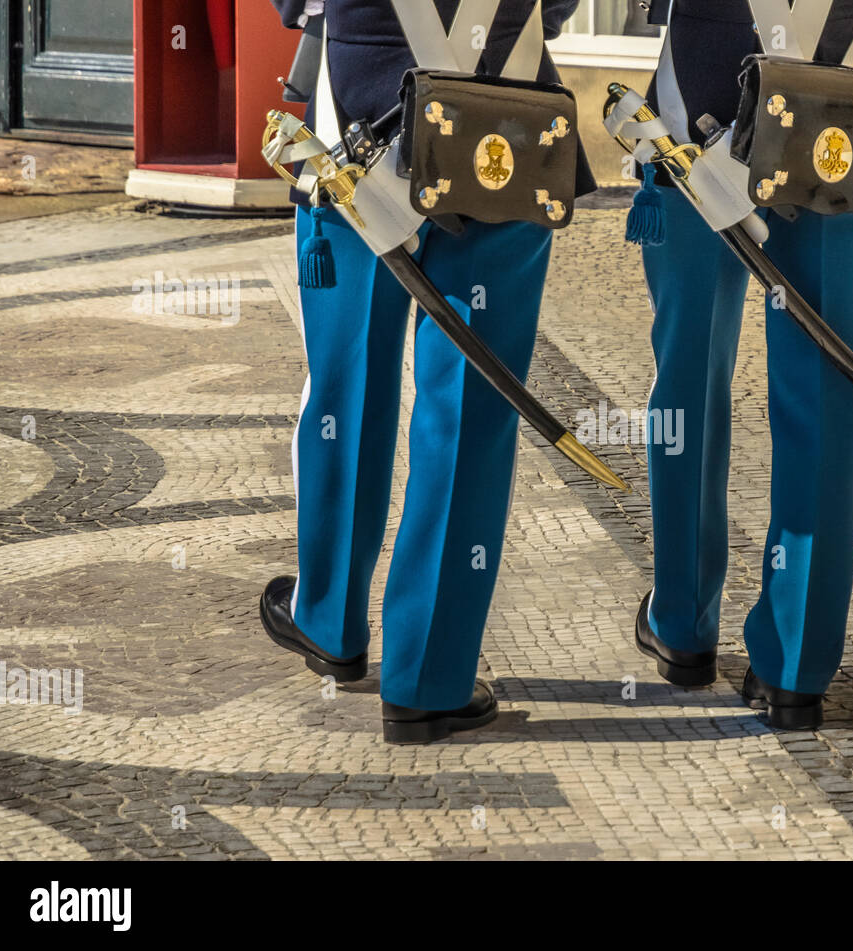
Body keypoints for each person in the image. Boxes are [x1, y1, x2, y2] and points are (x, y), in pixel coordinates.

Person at [260, 0, 593, 743]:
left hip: (353, 113)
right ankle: (428, 679)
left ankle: (330, 619)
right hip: (502, 117)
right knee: (469, 412)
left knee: (346, 388)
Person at [631, 0, 853, 730]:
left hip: (703, 93)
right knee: (823, 402)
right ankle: (795, 664)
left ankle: (683, 622)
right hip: (844, 106)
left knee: (688, 383)